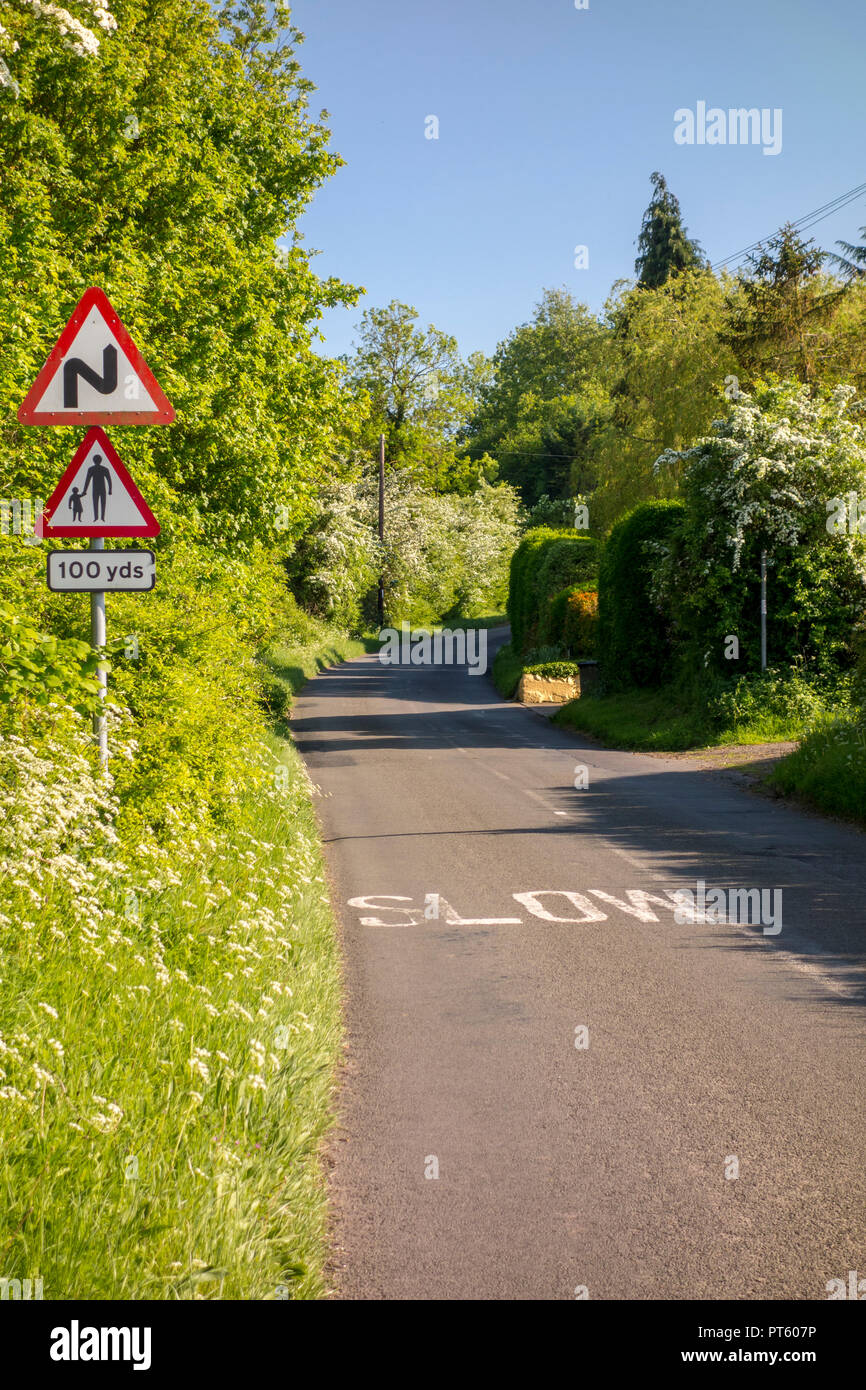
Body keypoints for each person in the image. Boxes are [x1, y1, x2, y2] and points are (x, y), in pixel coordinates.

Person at [80, 453, 112, 523]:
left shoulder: (93, 469)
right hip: (100, 489)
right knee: (102, 503)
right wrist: (110, 490)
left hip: (96, 489)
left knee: (96, 503)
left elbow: (87, 481)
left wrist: (85, 491)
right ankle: (99, 518)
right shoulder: (102, 469)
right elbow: (109, 480)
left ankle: (98, 518)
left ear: (94, 460)